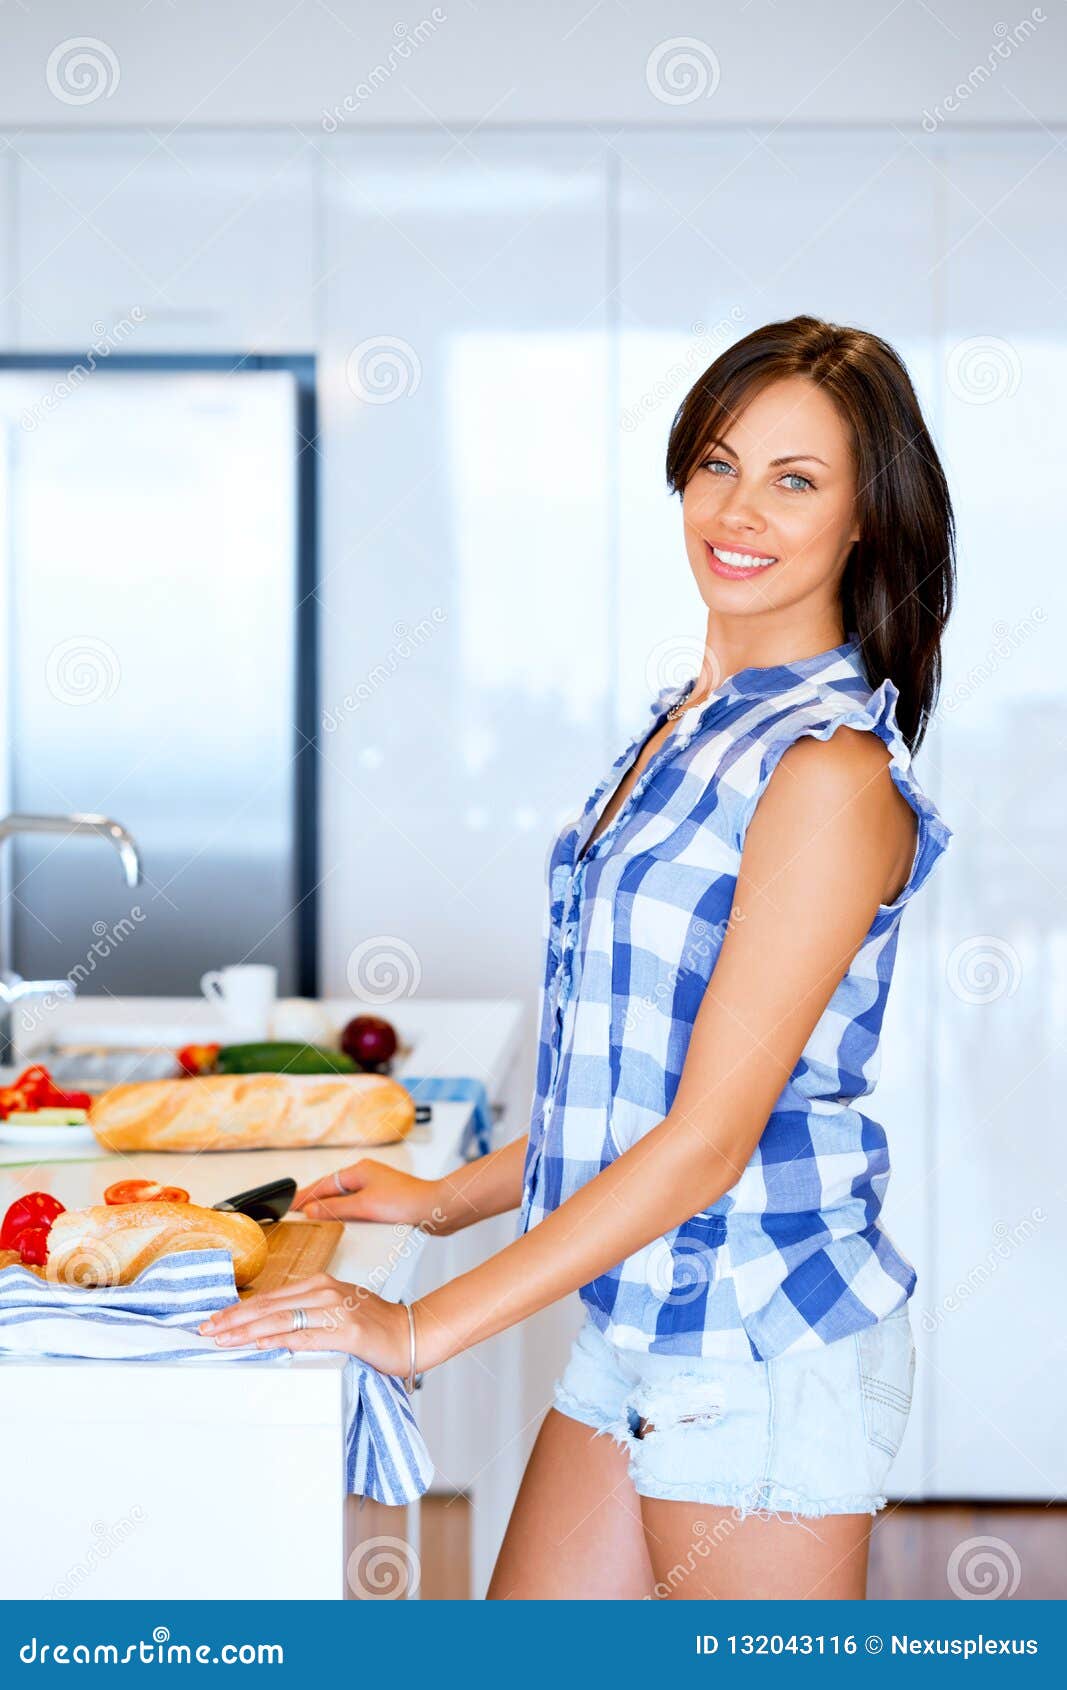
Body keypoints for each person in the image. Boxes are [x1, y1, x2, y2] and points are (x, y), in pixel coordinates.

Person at [201, 314, 956, 1600]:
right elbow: (629, 1089)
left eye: (794, 479)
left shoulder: (826, 771)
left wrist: (413, 1326)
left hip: (760, 1342)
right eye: (716, 463)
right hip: (636, 1319)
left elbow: (710, 1139)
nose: (737, 507)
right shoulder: (687, 726)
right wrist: (437, 1199)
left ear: (866, 520)